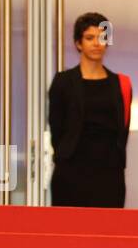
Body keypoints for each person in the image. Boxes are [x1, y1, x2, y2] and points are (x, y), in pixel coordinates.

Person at [47, 12, 132, 208]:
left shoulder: (121, 84)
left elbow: (123, 129)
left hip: (110, 173)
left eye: (102, 37)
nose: (96, 43)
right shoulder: (63, 82)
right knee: (69, 234)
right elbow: (56, 128)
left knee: (107, 233)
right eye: (89, 38)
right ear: (78, 43)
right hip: (71, 171)